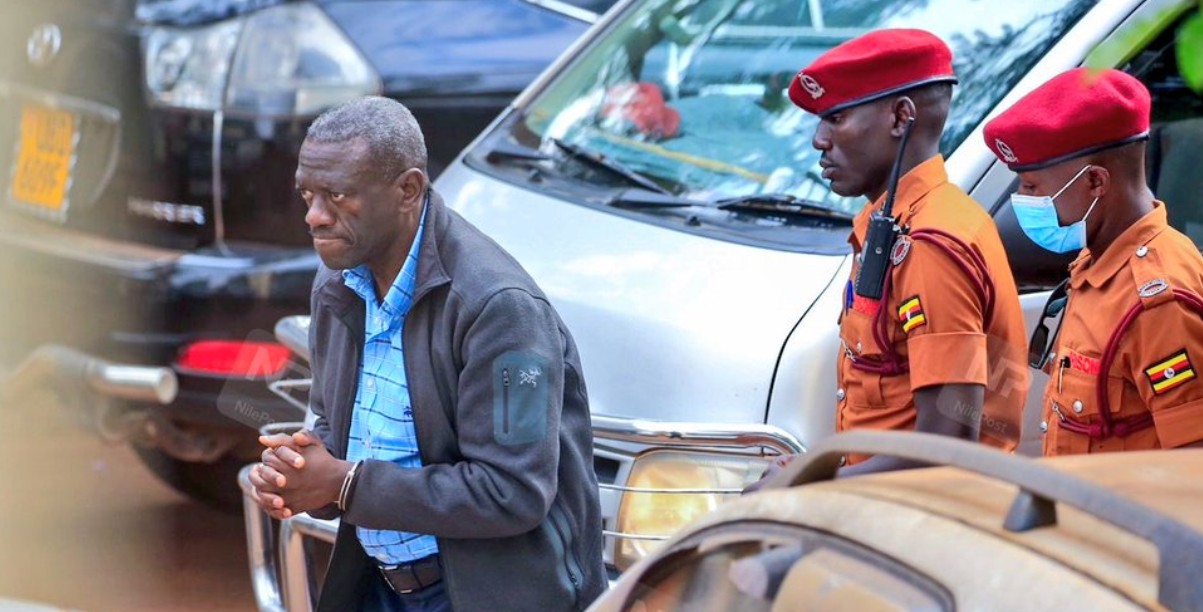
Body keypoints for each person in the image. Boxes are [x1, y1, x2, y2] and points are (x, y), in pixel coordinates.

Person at [247, 96, 606, 611]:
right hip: (379, 584)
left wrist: (345, 484)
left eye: (337, 195)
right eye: (307, 194)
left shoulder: (500, 309)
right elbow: (335, 428)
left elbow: (513, 490)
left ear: (408, 190)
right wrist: (302, 475)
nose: (314, 216)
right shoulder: (337, 282)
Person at [749, 29, 1030, 487]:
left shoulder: (931, 243)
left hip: (922, 512)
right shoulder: (895, 222)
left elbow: (947, 448)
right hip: (885, 500)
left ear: (900, 118)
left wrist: (810, 484)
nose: (819, 140)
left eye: (836, 118)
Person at [984, 68, 1203, 454]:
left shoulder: (1157, 302)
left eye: (1032, 186)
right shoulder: (1095, 262)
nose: (1023, 199)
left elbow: (1191, 464)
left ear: (1095, 182)